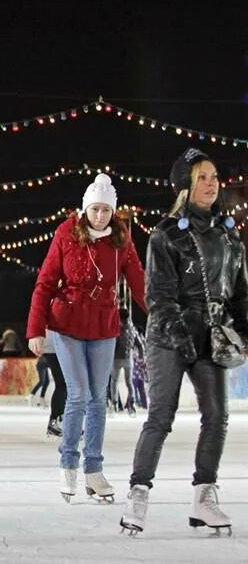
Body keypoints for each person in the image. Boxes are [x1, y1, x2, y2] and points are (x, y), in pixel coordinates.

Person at [120, 148, 248, 536]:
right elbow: (158, 295)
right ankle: (138, 493)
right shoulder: (165, 235)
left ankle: (203, 497)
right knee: (161, 415)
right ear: (184, 185)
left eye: (213, 177)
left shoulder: (229, 235)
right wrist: (180, 335)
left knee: (217, 416)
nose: (212, 183)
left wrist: (242, 330)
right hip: (169, 336)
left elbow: (240, 292)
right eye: (203, 177)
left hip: (212, 335)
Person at [27, 173, 146, 504]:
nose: (100, 216)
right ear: (85, 209)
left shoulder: (121, 239)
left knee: (98, 397)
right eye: (95, 210)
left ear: (113, 212)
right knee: (78, 394)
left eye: (106, 210)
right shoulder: (67, 233)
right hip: (67, 323)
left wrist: (162, 312)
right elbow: (45, 281)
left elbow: (139, 283)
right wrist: (35, 329)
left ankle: (93, 470)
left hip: (104, 325)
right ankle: (68, 463)